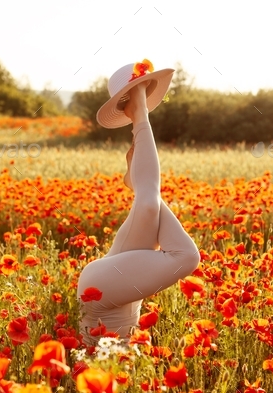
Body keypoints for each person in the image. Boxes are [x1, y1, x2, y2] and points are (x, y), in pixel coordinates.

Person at [76, 60, 200, 346]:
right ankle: (139, 117)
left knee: (149, 203)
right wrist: (142, 188)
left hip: (105, 287)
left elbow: (149, 204)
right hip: (106, 287)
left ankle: (139, 116)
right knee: (149, 203)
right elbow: (150, 205)